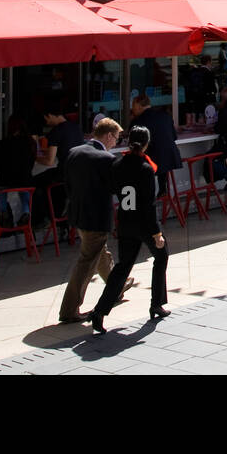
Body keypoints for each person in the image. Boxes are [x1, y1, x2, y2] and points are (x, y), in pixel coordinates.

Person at [89, 126, 169, 334]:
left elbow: (113, 188)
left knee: (122, 267)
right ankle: (156, 303)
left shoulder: (118, 164)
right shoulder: (145, 168)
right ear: (146, 144)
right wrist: (157, 233)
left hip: (125, 220)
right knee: (161, 256)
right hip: (143, 223)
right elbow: (149, 205)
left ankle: (99, 311)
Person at [59, 118, 125, 324]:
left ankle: (118, 286)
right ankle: (69, 309)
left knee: (98, 251)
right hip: (96, 216)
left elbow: (67, 183)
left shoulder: (74, 152)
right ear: (108, 135)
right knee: (88, 261)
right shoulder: (106, 158)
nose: (115, 143)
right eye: (116, 138)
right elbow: (116, 188)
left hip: (78, 213)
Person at [130, 93, 180, 196]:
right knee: (159, 157)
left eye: (133, 106)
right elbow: (174, 137)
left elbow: (134, 144)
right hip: (169, 159)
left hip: (151, 163)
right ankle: (162, 189)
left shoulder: (138, 120)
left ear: (139, 106)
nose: (132, 109)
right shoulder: (165, 115)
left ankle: (142, 197)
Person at [0, 117, 37, 226]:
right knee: (24, 188)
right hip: (25, 180)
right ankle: (26, 211)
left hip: (5, 180)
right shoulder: (31, 142)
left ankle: (3, 211)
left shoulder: (3, 143)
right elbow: (31, 164)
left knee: (0, 189)